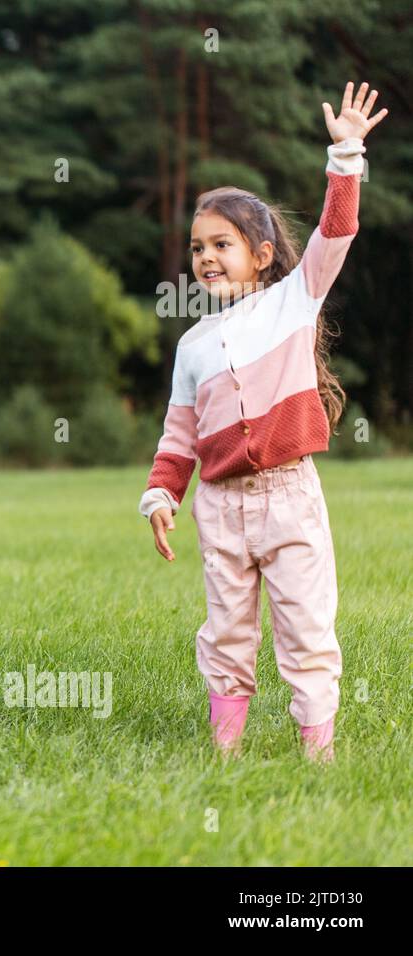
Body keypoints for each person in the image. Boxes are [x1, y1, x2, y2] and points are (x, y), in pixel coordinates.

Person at [140, 82, 388, 761]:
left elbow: (336, 233)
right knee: (227, 631)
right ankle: (226, 751)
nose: (207, 257)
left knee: (307, 627)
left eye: (222, 243)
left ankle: (319, 752)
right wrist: (163, 494)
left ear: (261, 251)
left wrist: (344, 154)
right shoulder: (192, 347)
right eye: (197, 248)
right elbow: (179, 437)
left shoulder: (293, 301)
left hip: (289, 497)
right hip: (219, 509)